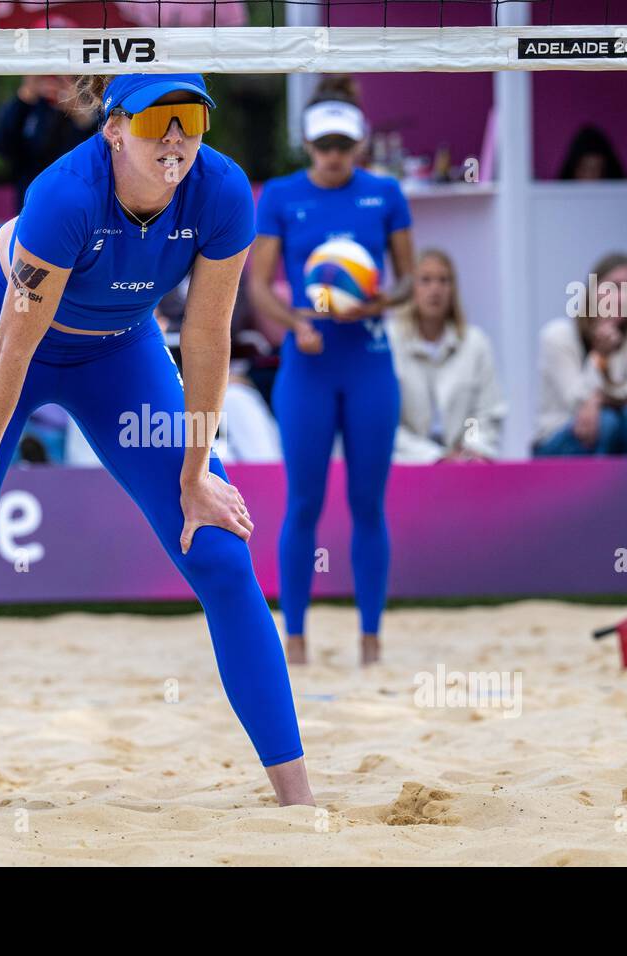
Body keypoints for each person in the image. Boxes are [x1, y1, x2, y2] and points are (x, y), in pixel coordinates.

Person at [0, 72, 313, 816]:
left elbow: (208, 334)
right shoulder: (63, 197)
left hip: (118, 352)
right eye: (160, 121)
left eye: (191, 119)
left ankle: (301, 804)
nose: (177, 137)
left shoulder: (222, 191)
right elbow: (11, 353)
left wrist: (196, 473)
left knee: (217, 547)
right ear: (114, 128)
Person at [245, 74, 415, 668]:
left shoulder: (386, 193)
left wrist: (379, 302)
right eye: (324, 146)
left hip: (368, 361)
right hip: (309, 364)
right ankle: (295, 639)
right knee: (304, 503)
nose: (334, 156)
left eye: (344, 145)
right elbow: (258, 285)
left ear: (359, 142)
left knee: (369, 503)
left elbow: (410, 281)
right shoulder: (283, 196)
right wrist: (296, 323)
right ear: (308, 144)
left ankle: (371, 640)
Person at [533, 252, 627, 456]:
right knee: (606, 421)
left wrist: (598, 399)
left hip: (617, 431)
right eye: (614, 287)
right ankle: (598, 488)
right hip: (558, 442)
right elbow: (575, 401)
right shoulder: (557, 335)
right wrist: (600, 356)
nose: (622, 298)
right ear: (592, 291)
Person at [390, 249, 505, 463]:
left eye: (444, 281)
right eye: (425, 280)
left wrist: (470, 450)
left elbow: (483, 414)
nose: (435, 289)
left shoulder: (475, 343)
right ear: (410, 289)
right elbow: (386, 426)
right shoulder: (390, 343)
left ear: (453, 289)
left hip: (464, 466)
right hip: (408, 467)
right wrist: (435, 457)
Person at [0, 75, 98, 212]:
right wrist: (24, 98)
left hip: (77, 202)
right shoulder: (26, 108)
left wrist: (79, 112)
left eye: (57, 77)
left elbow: (100, 152)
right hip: (30, 202)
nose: (51, 83)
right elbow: (1, 145)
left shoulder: (87, 103)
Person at [557, 125, 626, 181]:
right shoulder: (557, 196)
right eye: (584, 169)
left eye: (596, 170)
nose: (589, 176)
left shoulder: (623, 196)